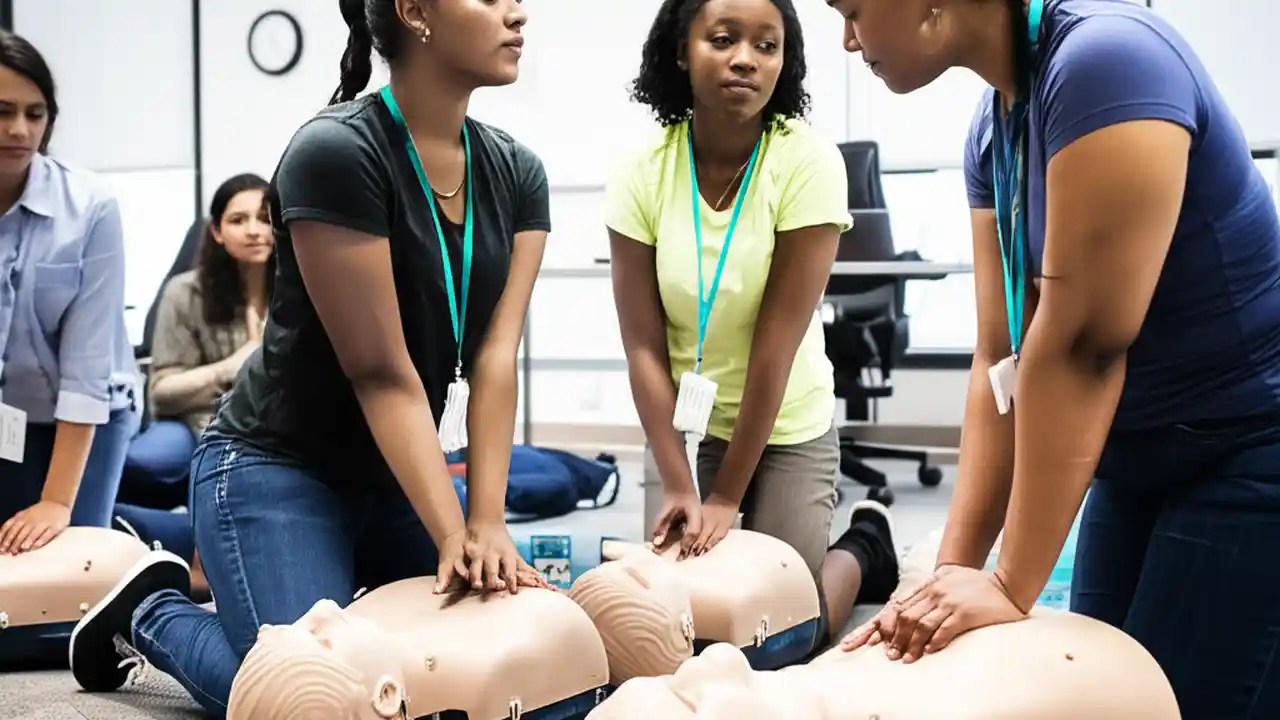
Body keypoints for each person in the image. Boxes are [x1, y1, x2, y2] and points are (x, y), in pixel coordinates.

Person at [68, 0, 551, 714]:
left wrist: (486, 523)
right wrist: (452, 532)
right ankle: (150, 615)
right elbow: (381, 374)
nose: (518, 12)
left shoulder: (518, 172)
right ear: (414, 10)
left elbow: (493, 359)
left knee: (488, 660)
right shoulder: (337, 153)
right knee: (310, 697)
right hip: (275, 464)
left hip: (393, 475)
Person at [830, 0, 1280, 716]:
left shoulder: (1107, 61)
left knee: (1175, 698)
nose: (848, 40)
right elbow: (1000, 357)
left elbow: (1084, 349)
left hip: (1248, 447)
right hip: (1132, 457)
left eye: (851, 10)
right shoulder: (994, 128)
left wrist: (1007, 583)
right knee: (1078, 691)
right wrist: (952, 575)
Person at [605, 0, 899, 647]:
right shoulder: (642, 171)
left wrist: (725, 498)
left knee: (790, 629)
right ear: (682, 50)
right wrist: (682, 482)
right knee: (692, 623)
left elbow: (775, 350)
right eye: (723, 38)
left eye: (767, 45)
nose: (745, 58)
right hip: (699, 426)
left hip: (789, 421)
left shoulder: (808, 164)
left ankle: (865, 546)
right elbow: (642, 346)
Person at [0, 30, 139, 557]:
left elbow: (87, 369)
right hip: (10, 415)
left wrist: (58, 501)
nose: (19, 130)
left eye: (35, 114)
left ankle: (159, 553)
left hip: (91, 412)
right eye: (3, 111)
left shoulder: (90, 206)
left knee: (72, 563)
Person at [112, 172, 275, 597]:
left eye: (265, 217)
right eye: (239, 219)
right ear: (217, 231)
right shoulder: (185, 293)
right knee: (150, 459)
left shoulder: (302, 286)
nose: (255, 230)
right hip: (196, 420)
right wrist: (234, 364)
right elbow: (162, 391)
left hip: (276, 420)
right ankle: (189, 555)